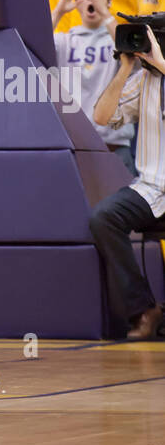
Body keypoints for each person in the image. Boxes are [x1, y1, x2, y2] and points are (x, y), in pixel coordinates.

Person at [90, 30, 165, 340]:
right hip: (152, 189)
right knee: (104, 217)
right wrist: (124, 69)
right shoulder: (144, 81)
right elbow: (101, 116)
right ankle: (144, 310)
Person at [51, 0, 136, 171]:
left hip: (115, 148)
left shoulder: (119, 37)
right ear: (75, 2)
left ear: (108, 1)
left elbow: (130, 54)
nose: (91, 0)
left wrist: (106, 13)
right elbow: (31, 46)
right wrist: (59, 10)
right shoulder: (64, 40)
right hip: (73, 147)